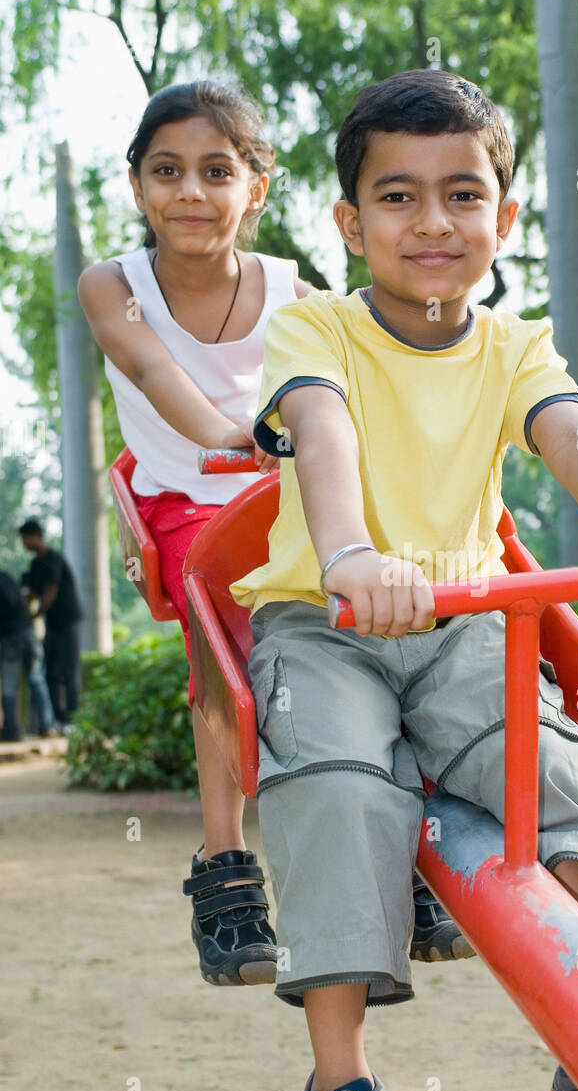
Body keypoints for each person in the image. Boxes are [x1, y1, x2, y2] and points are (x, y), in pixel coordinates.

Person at [230, 69, 578, 1091]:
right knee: (333, 794)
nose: (433, 223)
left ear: (505, 217)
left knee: (557, 775)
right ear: (349, 222)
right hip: (327, 619)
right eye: (397, 196)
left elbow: (572, 436)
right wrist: (346, 556)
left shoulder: (514, 345)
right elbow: (323, 436)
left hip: (468, 619)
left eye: (463, 194)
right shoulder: (315, 326)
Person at [77, 79, 467, 991]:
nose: (189, 193)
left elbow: (354, 370)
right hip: (189, 499)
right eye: (166, 171)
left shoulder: (293, 288)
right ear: (137, 187)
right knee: (221, 641)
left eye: (217, 171)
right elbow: (151, 366)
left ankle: (417, 836)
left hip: (291, 498)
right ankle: (225, 871)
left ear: (256, 190)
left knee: (379, 606)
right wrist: (231, 439)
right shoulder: (113, 286)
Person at [19, 521, 83, 731]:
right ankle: (58, 718)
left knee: (69, 670)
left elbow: (50, 590)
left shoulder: (53, 559)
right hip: (52, 625)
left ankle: (73, 720)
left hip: (68, 621)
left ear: (36, 536)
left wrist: (36, 614)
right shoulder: (34, 566)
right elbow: (31, 593)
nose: (24, 543)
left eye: (26, 538)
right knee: (52, 672)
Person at [0, 567, 56, 740]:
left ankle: (11, 730)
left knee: (9, 685)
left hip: (11, 637)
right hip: (29, 632)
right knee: (37, 679)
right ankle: (47, 725)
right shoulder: (6, 576)